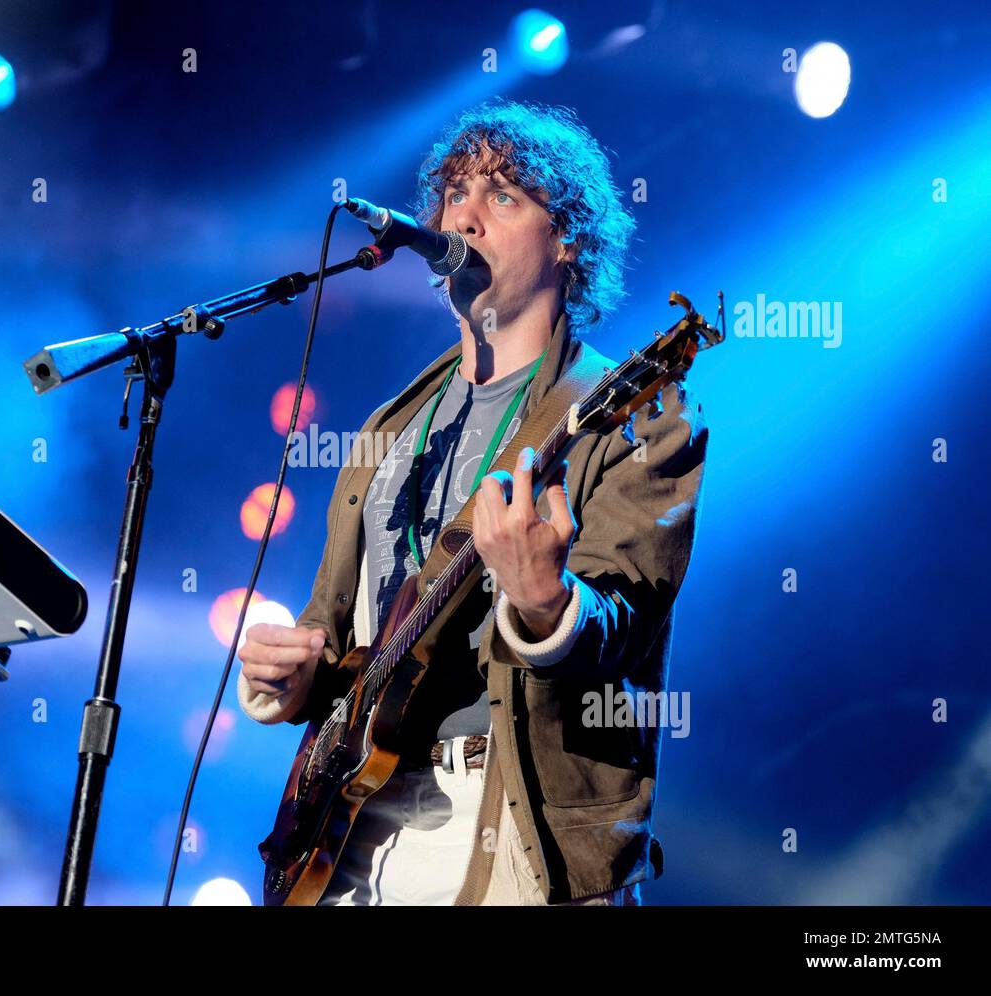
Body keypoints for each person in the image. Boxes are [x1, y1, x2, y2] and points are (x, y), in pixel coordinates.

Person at [238, 98, 707, 906]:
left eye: (502, 196)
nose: (466, 216)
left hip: (510, 821)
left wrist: (542, 600)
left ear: (569, 240)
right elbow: (335, 630)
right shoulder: (391, 424)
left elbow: (622, 629)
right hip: (350, 823)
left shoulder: (636, 418)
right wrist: (288, 678)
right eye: (455, 193)